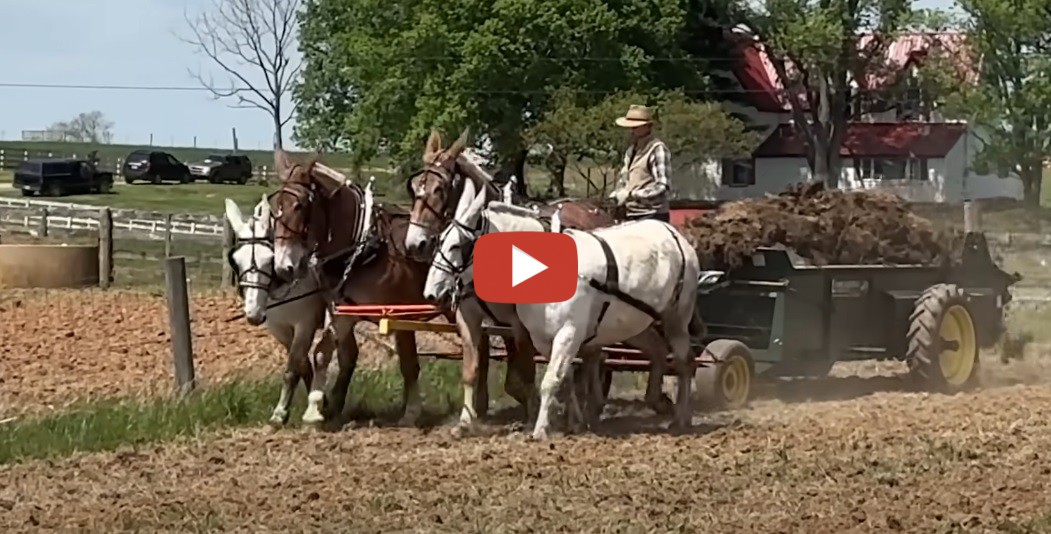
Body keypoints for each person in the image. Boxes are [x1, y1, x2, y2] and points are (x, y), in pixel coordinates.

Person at [608, 104, 672, 223]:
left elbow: (662, 187)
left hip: (651, 216)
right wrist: (617, 194)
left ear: (648, 127)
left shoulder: (657, 149)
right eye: (631, 127)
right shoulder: (631, 151)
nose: (632, 131)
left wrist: (632, 195)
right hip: (629, 214)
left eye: (636, 127)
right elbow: (625, 180)